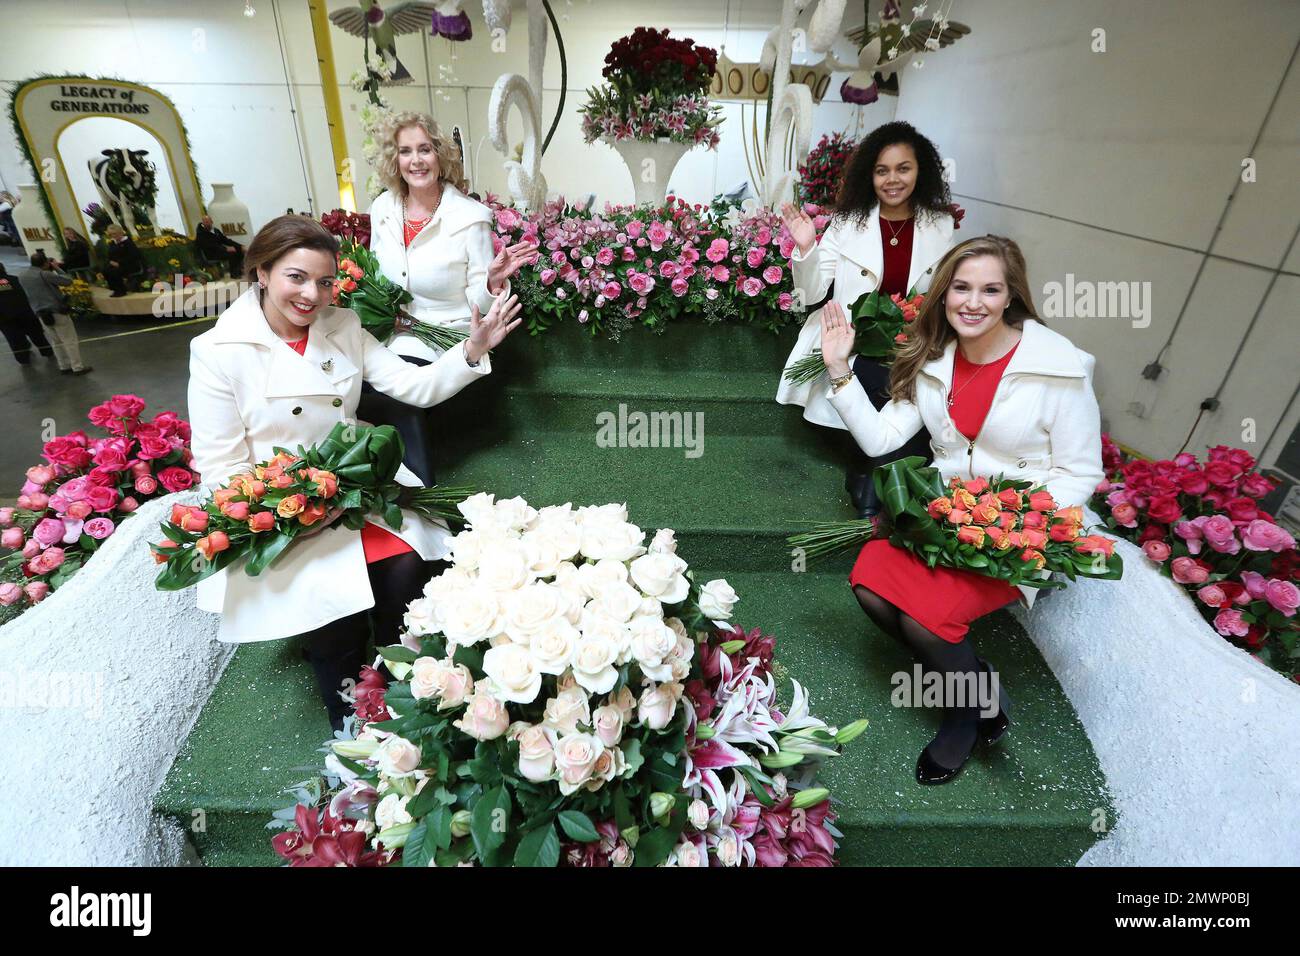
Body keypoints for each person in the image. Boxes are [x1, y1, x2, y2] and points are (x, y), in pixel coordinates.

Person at [187, 214, 522, 730]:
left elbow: (414, 387)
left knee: (407, 568)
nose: (312, 295)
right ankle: (352, 724)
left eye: (324, 282)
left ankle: (406, 692)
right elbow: (221, 468)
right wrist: (292, 515)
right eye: (296, 277)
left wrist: (472, 349)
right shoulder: (217, 350)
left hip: (359, 486)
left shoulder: (342, 324)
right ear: (262, 272)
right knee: (333, 610)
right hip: (281, 511)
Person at [819, 235, 1103, 785]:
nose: (973, 302)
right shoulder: (933, 357)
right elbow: (881, 440)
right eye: (961, 287)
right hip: (946, 520)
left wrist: (1012, 520)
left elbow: (1081, 473)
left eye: (990, 290)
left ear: (1011, 296)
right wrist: (838, 370)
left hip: (1021, 535)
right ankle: (975, 682)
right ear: (944, 293)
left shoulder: (1059, 368)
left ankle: (965, 717)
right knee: (871, 584)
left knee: (925, 619)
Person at [778, 122, 959, 518]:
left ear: (921, 171)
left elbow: (949, 293)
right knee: (879, 376)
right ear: (869, 175)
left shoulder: (941, 226)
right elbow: (810, 294)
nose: (892, 179)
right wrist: (806, 249)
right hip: (852, 338)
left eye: (903, 168)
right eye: (882, 170)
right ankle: (873, 480)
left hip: (914, 340)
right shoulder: (848, 223)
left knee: (916, 378)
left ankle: (871, 480)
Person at [363, 109, 536, 484]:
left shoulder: (471, 217)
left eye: (424, 149)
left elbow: (478, 307)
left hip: (448, 334)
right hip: (391, 332)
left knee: (401, 392)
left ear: (440, 155)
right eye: (406, 151)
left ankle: (419, 490)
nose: (416, 160)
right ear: (395, 159)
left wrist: (491, 282)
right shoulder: (382, 209)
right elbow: (373, 277)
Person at [17, 251, 91, 375]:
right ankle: (77, 367)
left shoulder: (22, 275)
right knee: (69, 340)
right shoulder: (45, 274)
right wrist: (56, 267)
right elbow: (68, 281)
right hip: (56, 311)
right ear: (45, 263)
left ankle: (64, 366)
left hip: (41, 313)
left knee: (56, 341)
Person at [0, 262, 55, 366]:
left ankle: (23, 360)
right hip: (25, 313)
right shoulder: (15, 279)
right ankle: (47, 352)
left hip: (5, 320)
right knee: (37, 335)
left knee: (15, 340)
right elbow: (28, 294)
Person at [102, 224, 144, 297]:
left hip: (130, 264)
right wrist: (111, 262)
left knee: (114, 271)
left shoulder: (128, 242)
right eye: (111, 234)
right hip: (116, 264)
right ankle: (115, 290)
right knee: (105, 270)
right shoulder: (112, 243)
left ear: (120, 233)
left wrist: (119, 263)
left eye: (114, 234)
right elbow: (109, 256)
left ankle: (121, 291)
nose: (113, 236)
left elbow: (135, 256)